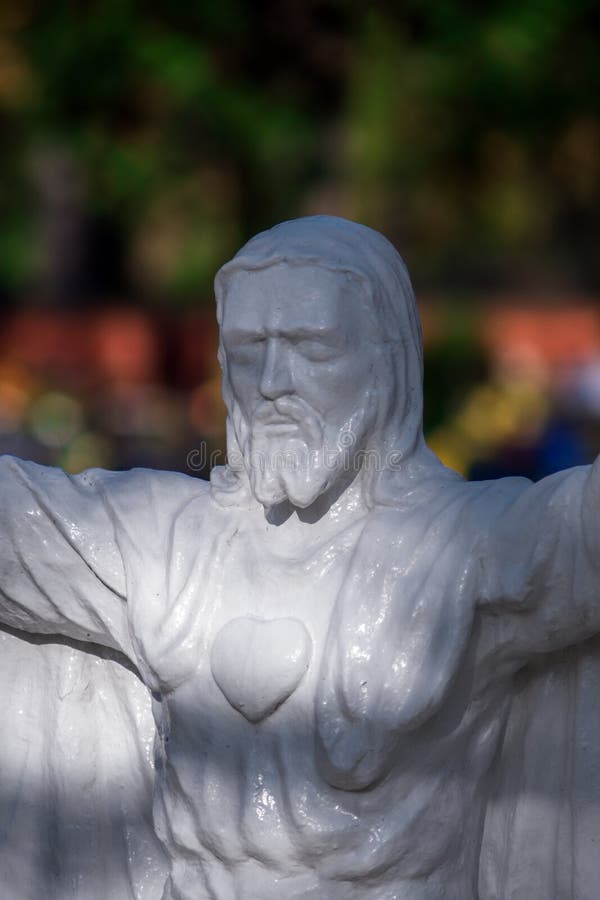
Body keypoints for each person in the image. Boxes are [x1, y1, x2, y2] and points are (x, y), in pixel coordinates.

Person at [1, 216, 600, 900]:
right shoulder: (160, 540)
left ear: (388, 362)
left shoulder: (470, 549)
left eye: (313, 346)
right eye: (248, 349)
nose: (273, 382)